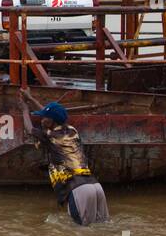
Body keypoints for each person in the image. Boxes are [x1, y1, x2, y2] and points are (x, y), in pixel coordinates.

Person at [19, 87, 109, 225]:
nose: (41, 119)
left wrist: (25, 109)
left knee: (80, 235)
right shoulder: (73, 131)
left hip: (78, 190)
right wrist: (31, 99)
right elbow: (53, 114)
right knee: (100, 229)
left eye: (44, 118)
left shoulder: (49, 136)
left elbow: (29, 129)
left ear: (50, 122)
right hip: (95, 187)